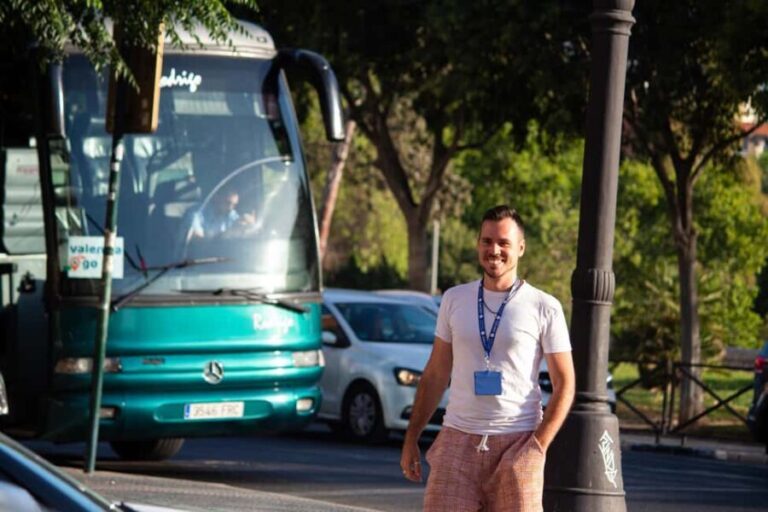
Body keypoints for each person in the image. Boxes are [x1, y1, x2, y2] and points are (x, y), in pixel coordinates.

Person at [400, 204, 575, 512]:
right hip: (457, 441)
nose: (494, 250)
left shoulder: (544, 306)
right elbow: (436, 373)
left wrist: (537, 446)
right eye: (487, 241)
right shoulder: (454, 299)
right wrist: (412, 436)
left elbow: (566, 384)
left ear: (520, 248)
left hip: (518, 440)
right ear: (478, 244)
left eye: (503, 242)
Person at [188, 189, 254, 240]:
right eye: (227, 203)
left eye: (234, 205)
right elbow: (199, 241)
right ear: (217, 198)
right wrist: (228, 233)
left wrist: (248, 224)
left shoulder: (230, 214)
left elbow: (238, 223)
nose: (230, 208)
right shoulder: (196, 214)